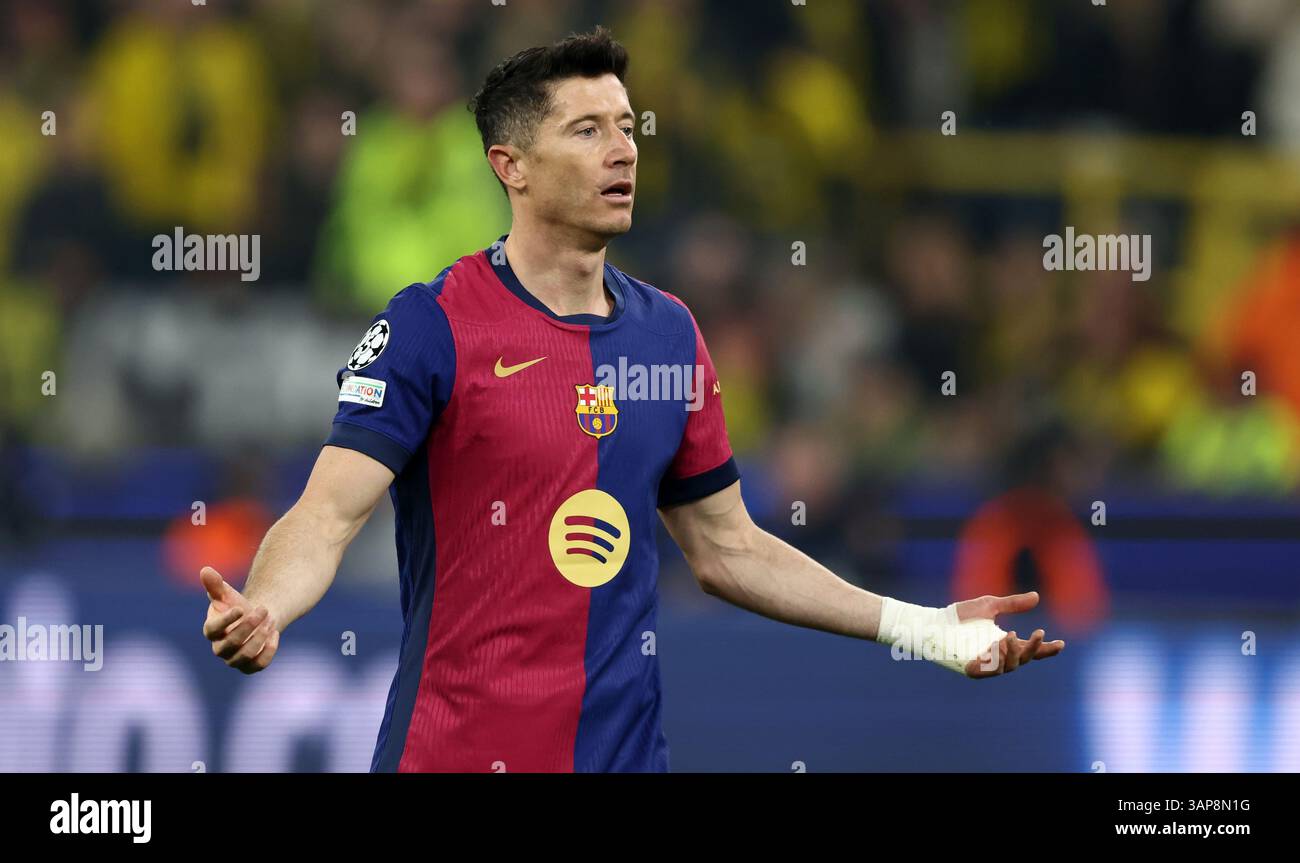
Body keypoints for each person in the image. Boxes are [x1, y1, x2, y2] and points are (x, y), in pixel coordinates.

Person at [200, 26, 1064, 773]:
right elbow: (326, 516)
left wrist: (928, 629)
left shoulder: (670, 337)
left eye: (626, 125)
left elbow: (729, 550)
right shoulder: (434, 326)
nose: (623, 149)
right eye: (586, 130)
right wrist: (268, 603)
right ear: (514, 168)